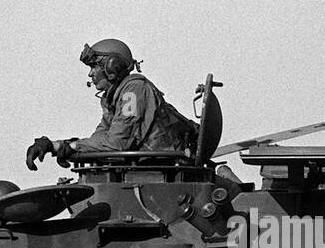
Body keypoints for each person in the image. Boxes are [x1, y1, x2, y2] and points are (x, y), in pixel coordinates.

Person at [26, 39, 197, 170]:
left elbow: (117, 144)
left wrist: (73, 147)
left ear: (112, 67)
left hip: (165, 170)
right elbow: (101, 138)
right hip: (145, 169)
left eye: (94, 67)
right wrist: (55, 146)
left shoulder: (133, 90)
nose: (90, 74)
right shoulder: (113, 98)